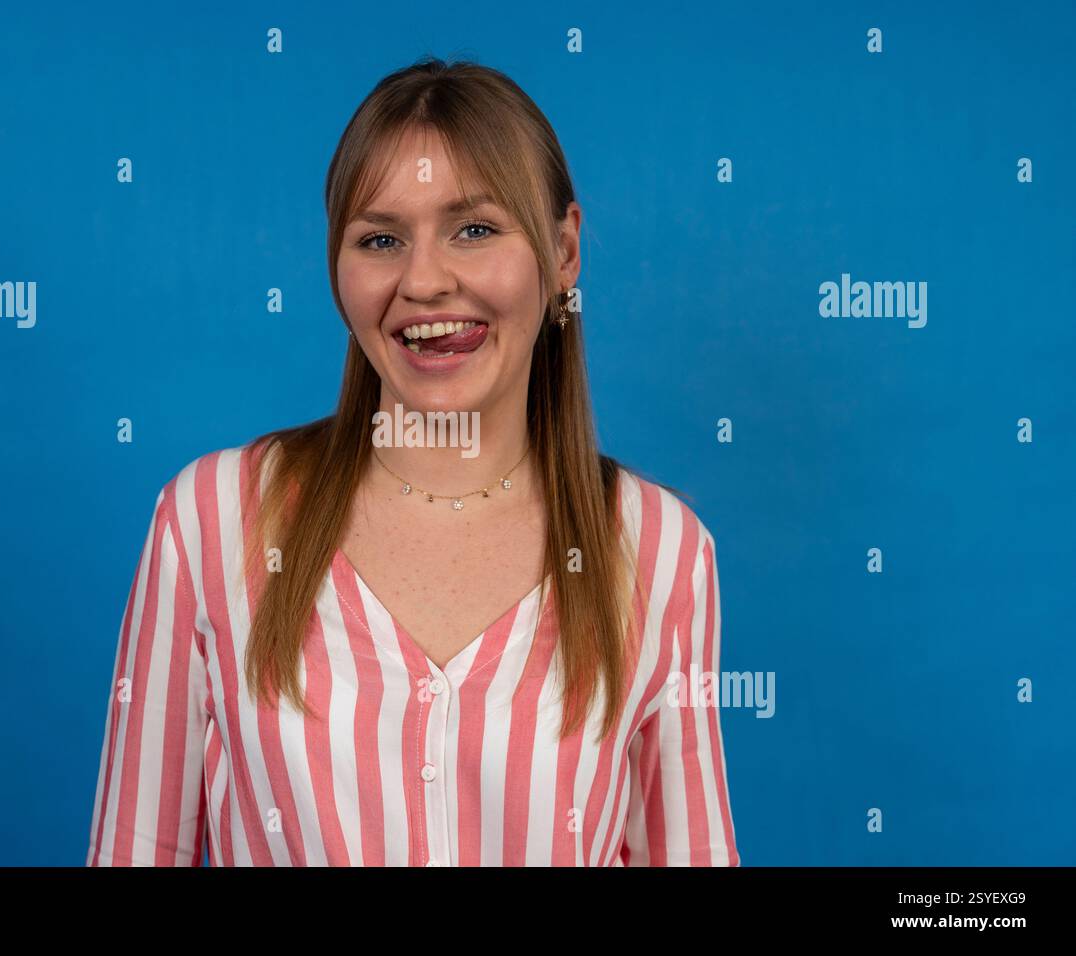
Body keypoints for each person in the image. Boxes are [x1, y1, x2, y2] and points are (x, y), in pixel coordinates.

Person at [86, 55, 739, 867]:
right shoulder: (209, 520)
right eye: (381, 239)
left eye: (475, 228)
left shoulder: (663, 553)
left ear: (564, 250)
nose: (424, 281)